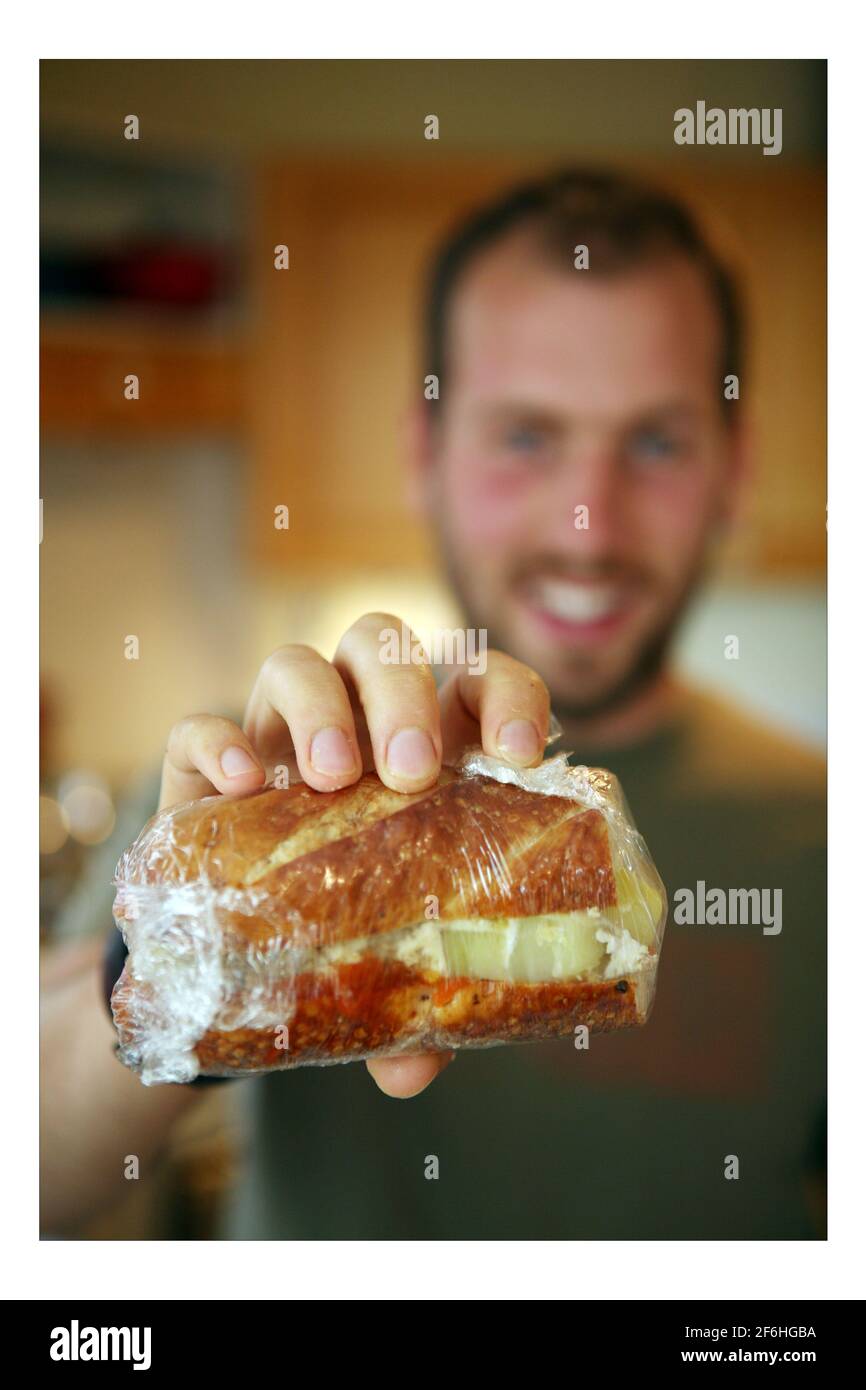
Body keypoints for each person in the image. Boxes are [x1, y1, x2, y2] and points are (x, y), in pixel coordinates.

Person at [41, 169, 825, 1239]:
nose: (588, 528)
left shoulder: (827, 837)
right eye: (523, 436)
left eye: (654, 441)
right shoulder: (249, 782)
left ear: (733, 465)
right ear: (423, 451)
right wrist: (190, 968)